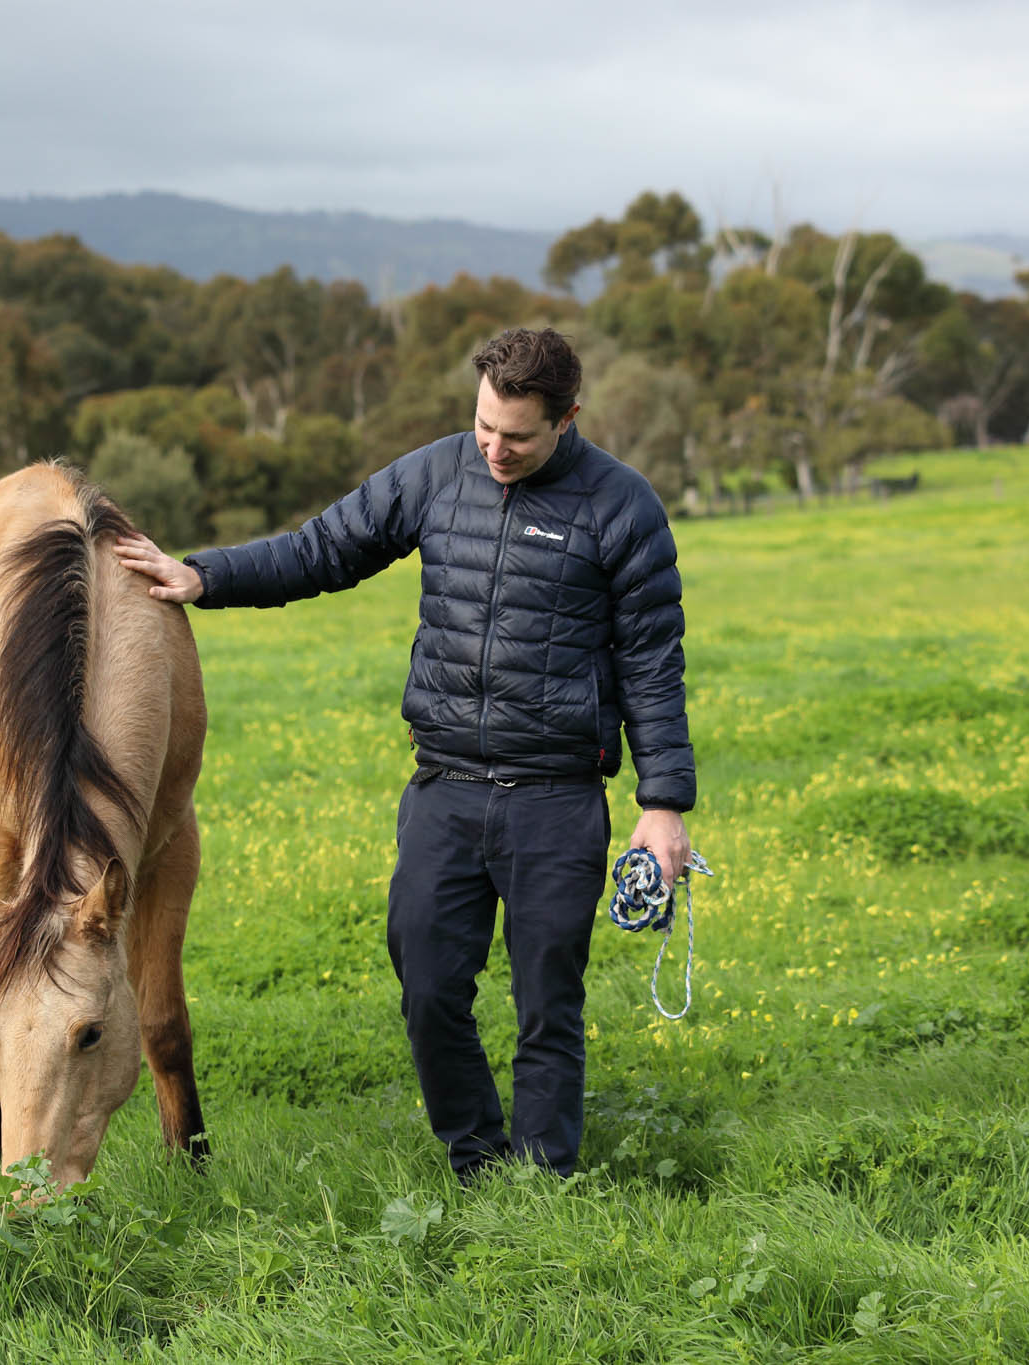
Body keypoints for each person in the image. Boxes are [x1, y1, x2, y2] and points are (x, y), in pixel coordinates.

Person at [113, 326, 694, 1182]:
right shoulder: (435, 472)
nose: (494, 448)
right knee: (427, 992)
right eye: (485, 426)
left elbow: (652, 659)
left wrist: (664, 801)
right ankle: (475, 1158)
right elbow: (323, 548)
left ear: (568, 418)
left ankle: (543, 1183)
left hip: (556, 799)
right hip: (445, 790)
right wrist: (206, 576)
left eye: (519, 436)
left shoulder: (623, 506)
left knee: (549, 1007)